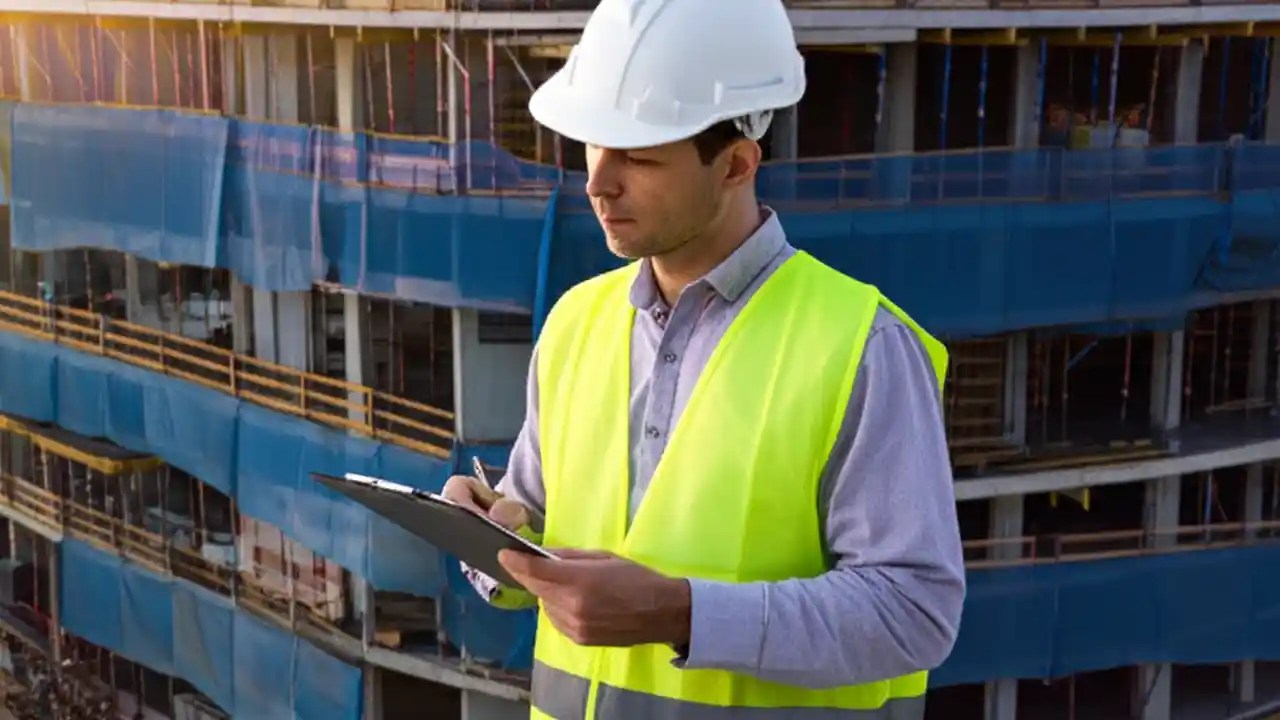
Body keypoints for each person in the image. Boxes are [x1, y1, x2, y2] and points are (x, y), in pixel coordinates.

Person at [443, 0, 966, 717]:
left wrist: (682, 613)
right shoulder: (575, 324)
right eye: (595, 146)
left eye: (639, 156)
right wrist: (490, 540)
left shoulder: (862, 347)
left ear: (736, 164)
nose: (598, 183)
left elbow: (914, 612)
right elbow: (533, 532)